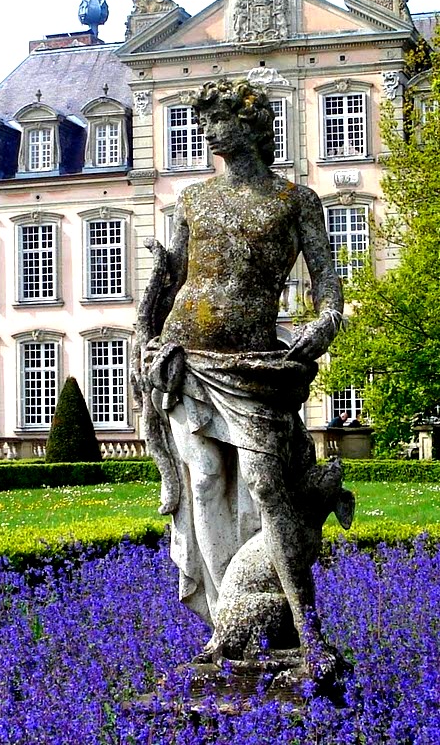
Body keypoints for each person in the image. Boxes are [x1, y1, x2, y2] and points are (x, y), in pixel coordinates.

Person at [136, 77, 347, 680]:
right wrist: (148, 336)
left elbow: (328, 286)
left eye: (217, 120)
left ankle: (306, 632)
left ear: (251, 125)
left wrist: (324, 324)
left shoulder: (295, 200)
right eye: (203, 121)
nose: (205, 131)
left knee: (266, 486)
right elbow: (172, 281)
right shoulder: (193, 200)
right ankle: (225, 624)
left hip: (253, 365)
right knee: (202, 481)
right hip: (185, 354)